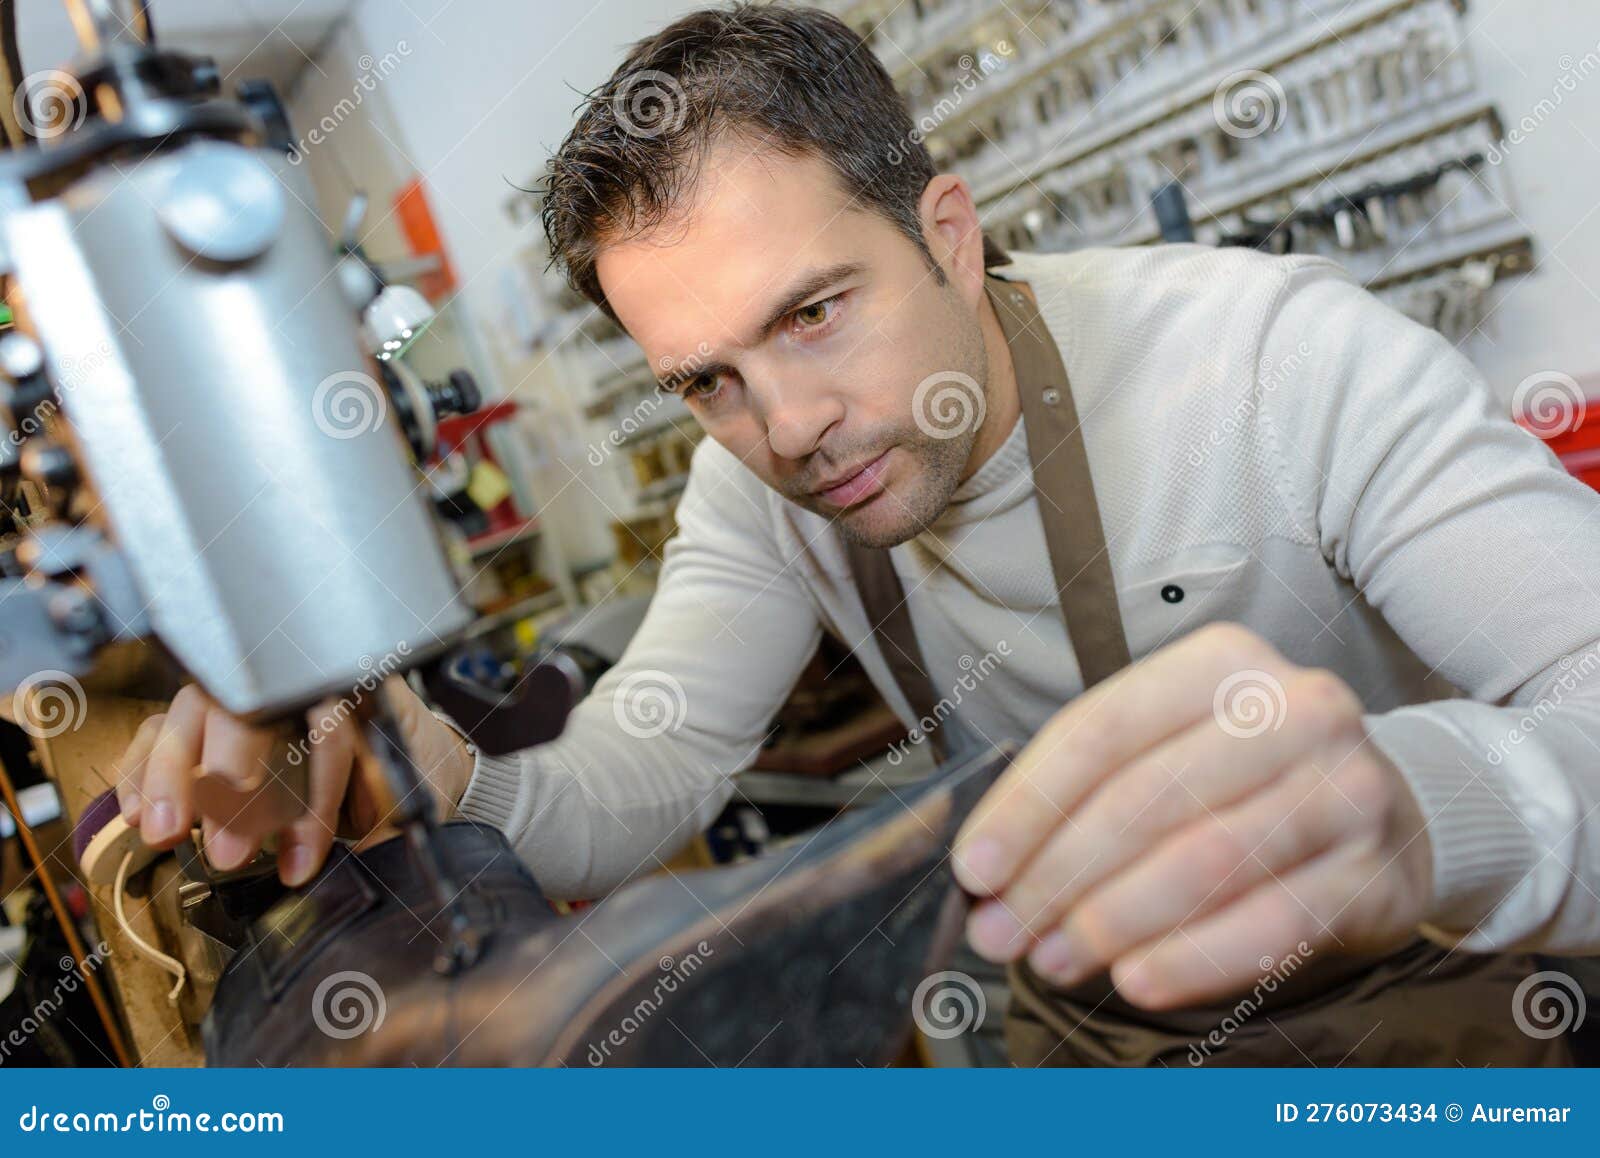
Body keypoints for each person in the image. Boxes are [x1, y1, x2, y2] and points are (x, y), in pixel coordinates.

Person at [115, 5, 1600, 1065]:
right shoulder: (758, 484)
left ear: (947, 231)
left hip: (1442, 1022)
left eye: (814, 313)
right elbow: (648, 764)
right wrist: (445, 776)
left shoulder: (1280, 362)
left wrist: (1420, 806)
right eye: (708, 379)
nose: (790, 426)